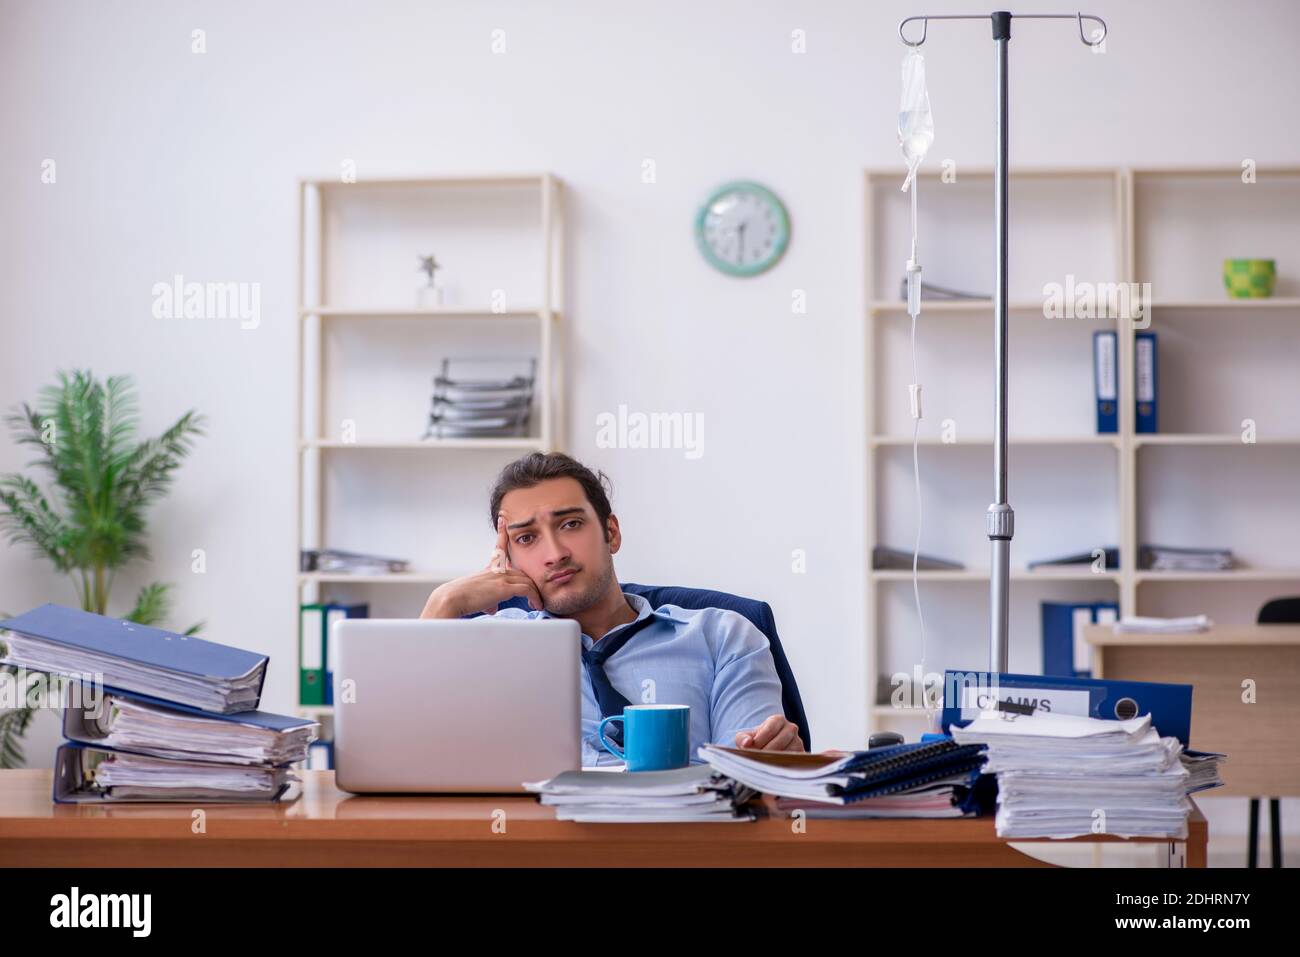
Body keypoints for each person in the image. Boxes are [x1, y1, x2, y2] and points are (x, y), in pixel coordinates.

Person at [420, 452, 804, 766]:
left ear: (611, 533)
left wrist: (770, 762)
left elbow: (745, 776)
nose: (555, 555)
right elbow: (402, 746)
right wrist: (442, 605)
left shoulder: (723, 637)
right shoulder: (486, 647)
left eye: (570, 524)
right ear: (509, 559)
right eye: (526, 538)